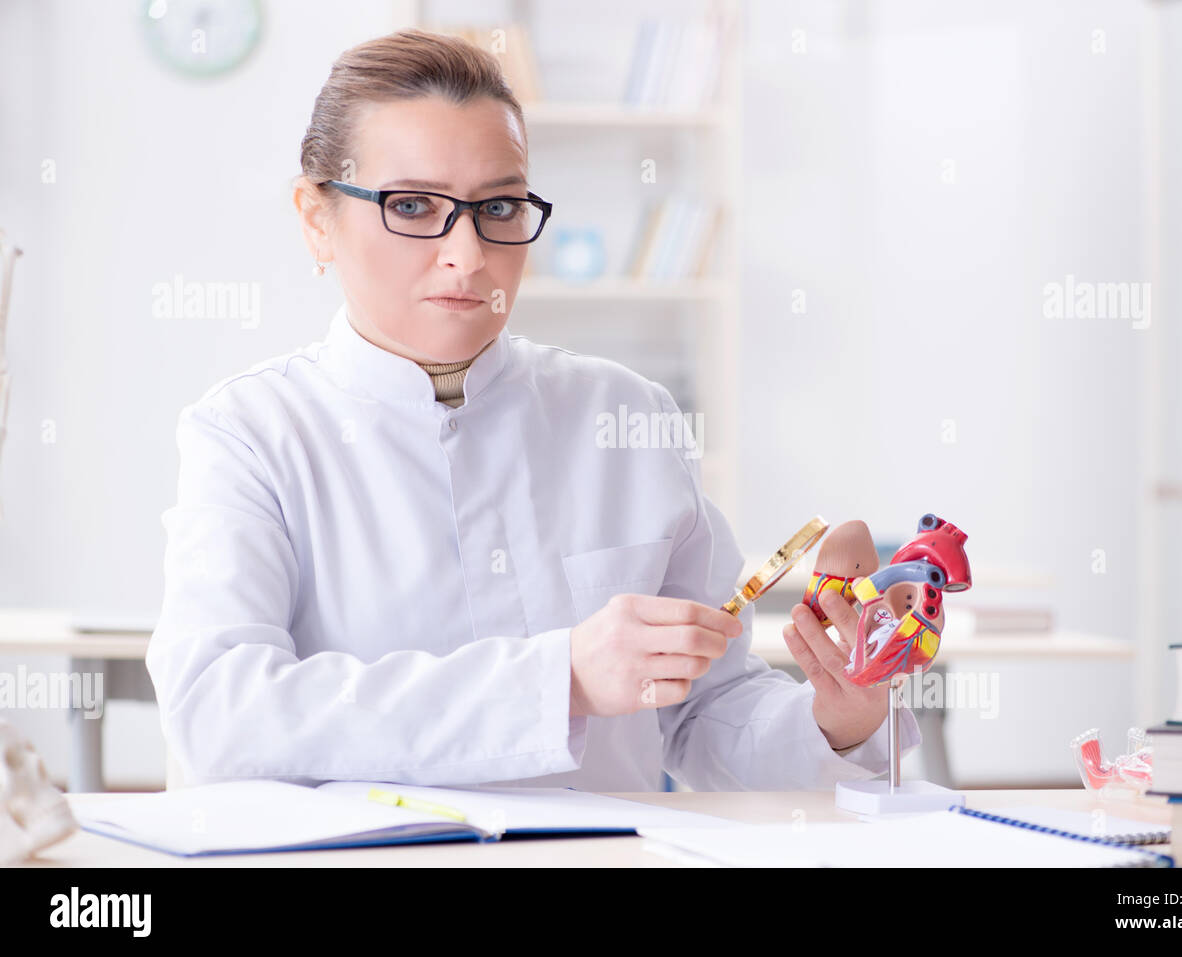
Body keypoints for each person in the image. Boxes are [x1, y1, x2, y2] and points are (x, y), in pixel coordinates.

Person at [146, 29, 920, 792]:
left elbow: (703, 716)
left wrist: (837, 718)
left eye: (500, 207)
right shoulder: (250, 435)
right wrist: (561, 680)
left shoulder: (626, 415)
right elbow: (221, 715)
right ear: (317, 218)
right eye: (412, 205)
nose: (468, 255)